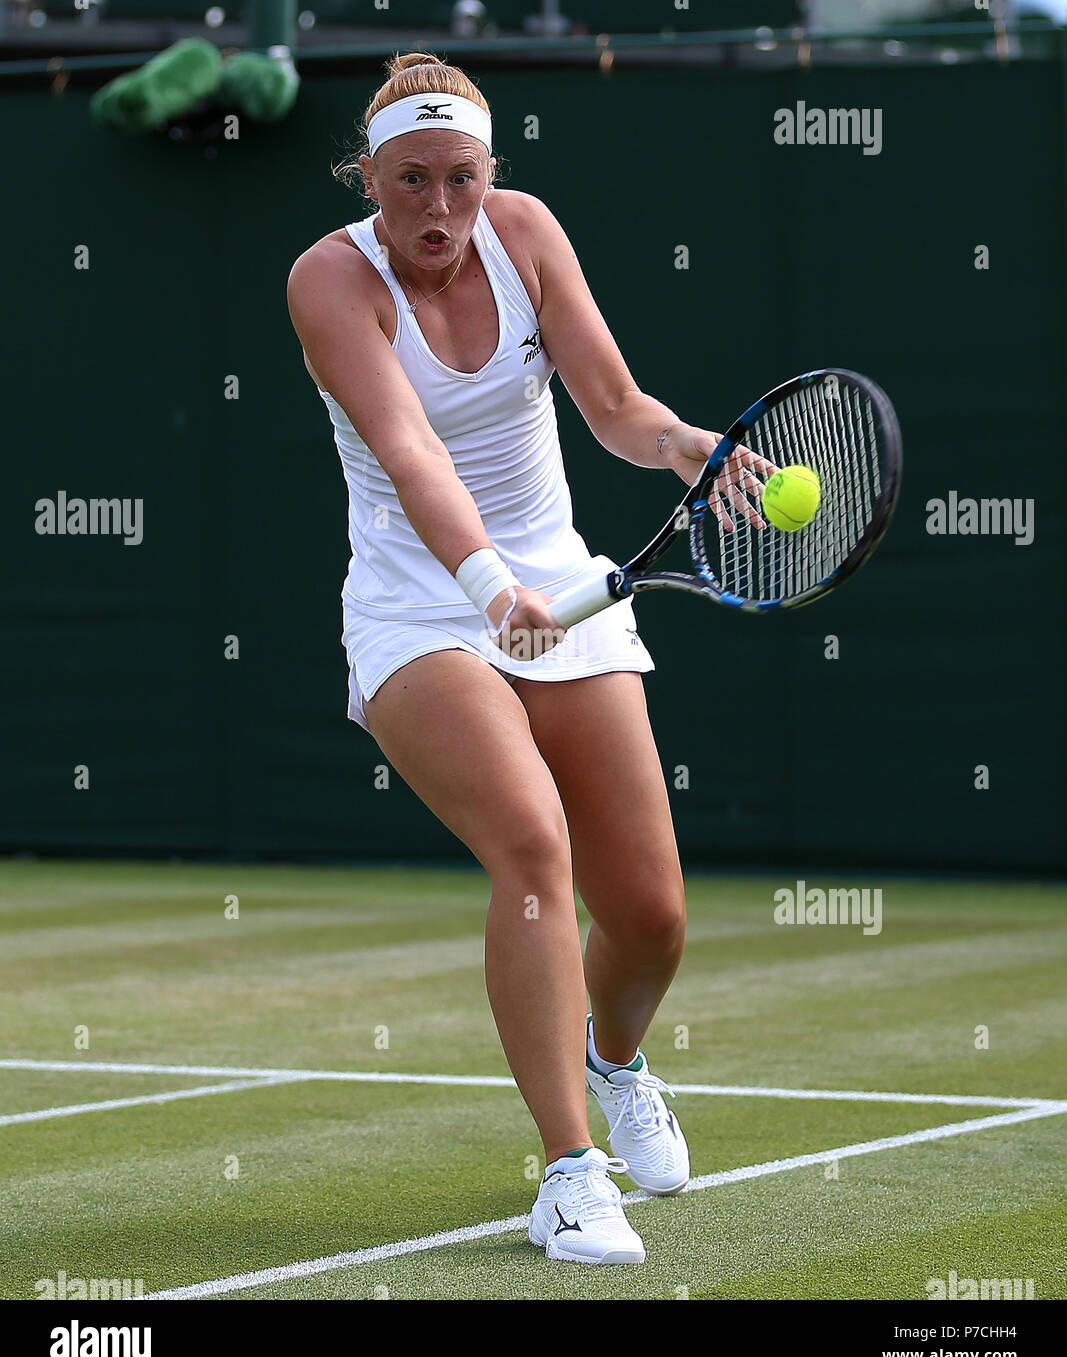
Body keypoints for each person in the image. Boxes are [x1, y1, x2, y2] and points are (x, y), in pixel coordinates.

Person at [286, 51, 768, 1265]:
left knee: (650, 917)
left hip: (559, 588)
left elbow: (612, 404)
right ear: (367, 177)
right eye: (409, 180)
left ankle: (615, 1058)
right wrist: (487, 589)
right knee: (532, 844)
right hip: (421, 608)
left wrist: (681, 444)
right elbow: (410, 453)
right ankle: (566, 1172)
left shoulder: (525, 231)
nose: (438, 207)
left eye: (461, 177)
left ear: (489, 172)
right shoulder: (329, 280)